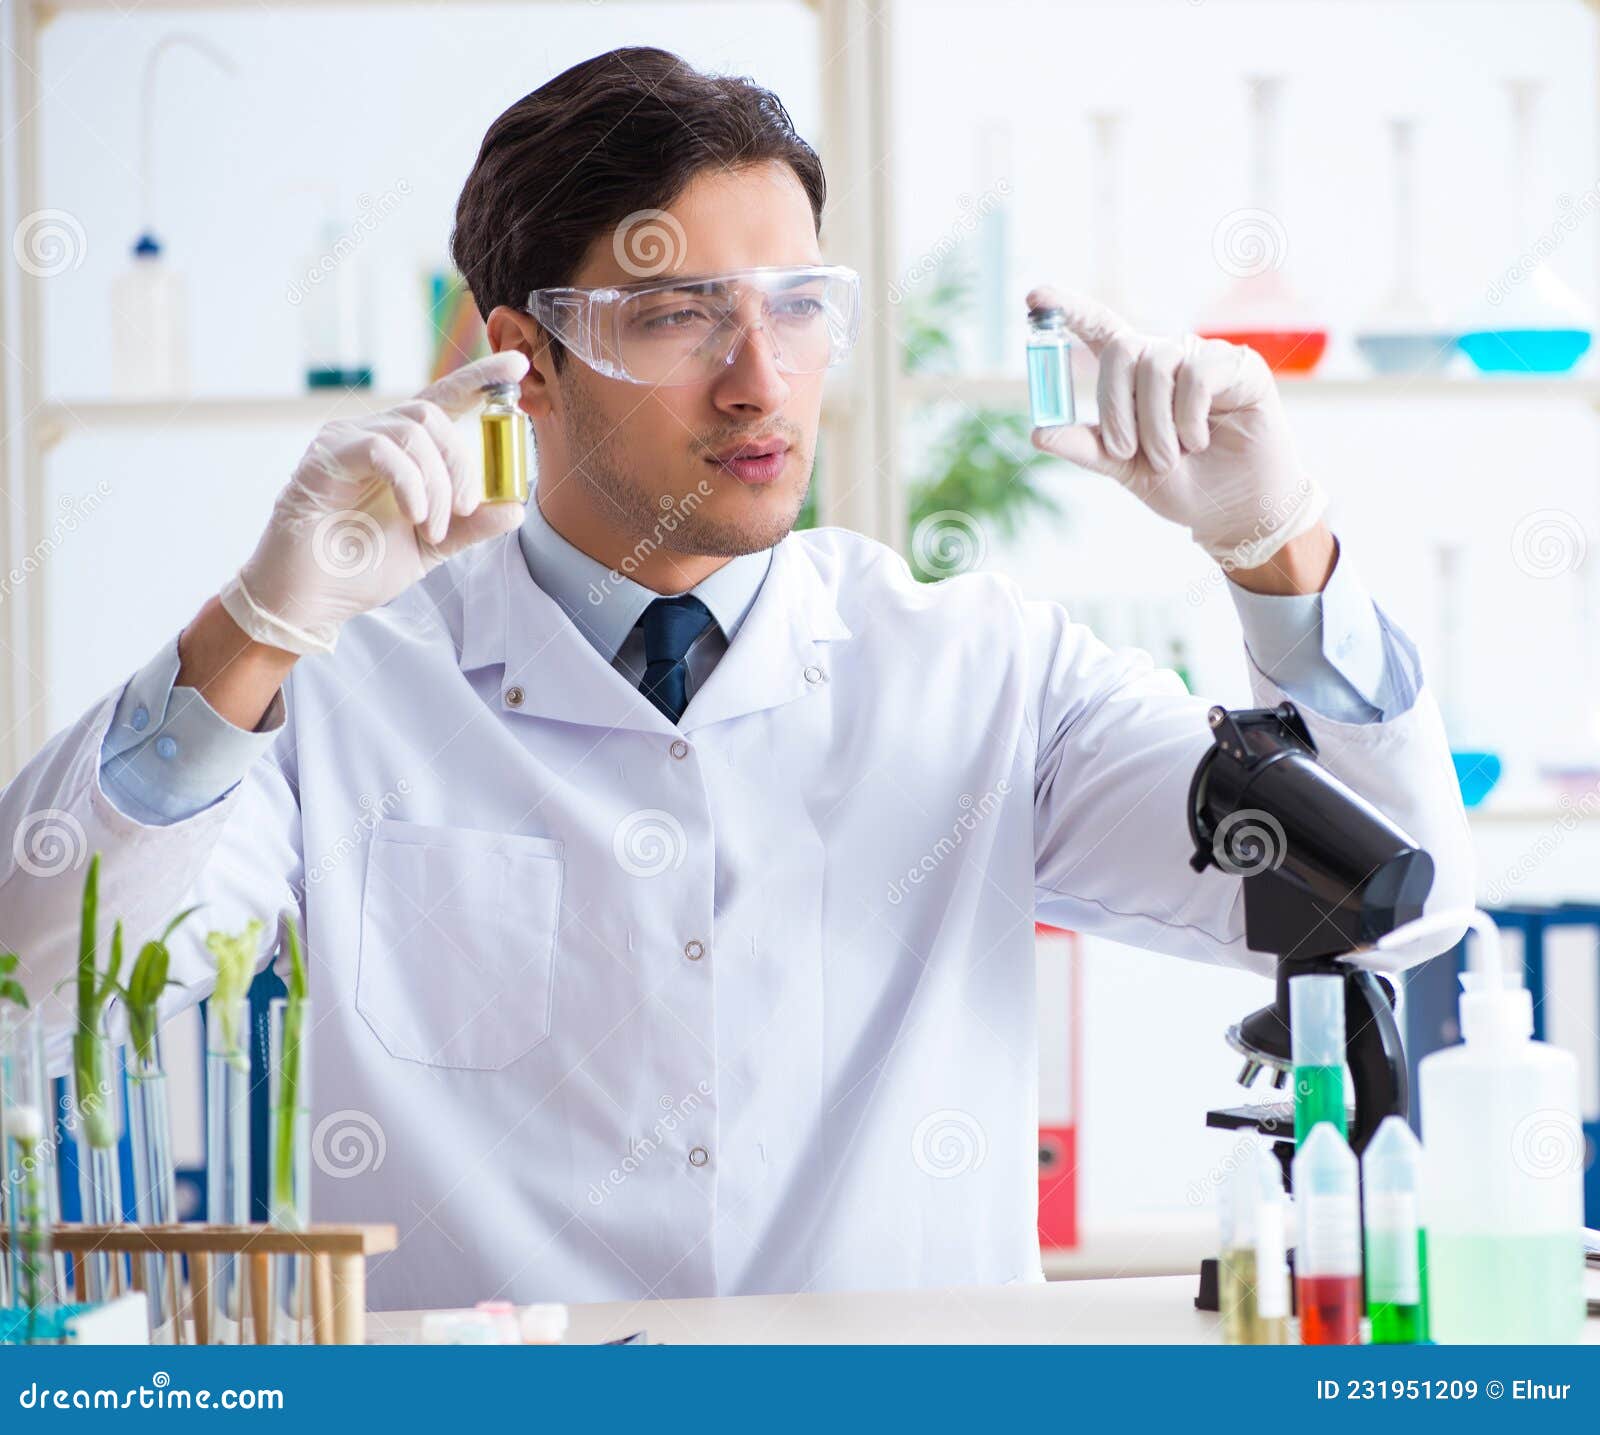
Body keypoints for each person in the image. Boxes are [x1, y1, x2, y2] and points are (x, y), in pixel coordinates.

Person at [0, 47, 1470, 1310]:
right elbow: (41, 993)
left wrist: (1286, 561)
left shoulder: (983, 673)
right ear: (528, 358)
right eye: (680, 312)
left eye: (799, 305)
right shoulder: (345, 691)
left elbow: (1392, 901)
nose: (761, 378)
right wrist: (252, 631)